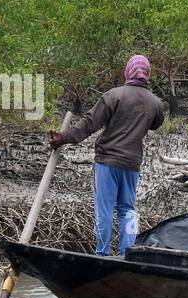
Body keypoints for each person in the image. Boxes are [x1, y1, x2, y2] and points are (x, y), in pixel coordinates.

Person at [48, 55, 167, 256]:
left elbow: (89, 123)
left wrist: (64, 137)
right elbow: (155, 124)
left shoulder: (114, 96)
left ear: (128, 71)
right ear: (147, 74)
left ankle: (102, 253)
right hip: (132, 164)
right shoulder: (155, 103)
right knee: (127, 209)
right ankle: (126, 254)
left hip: (107, 161)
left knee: (104, 209)